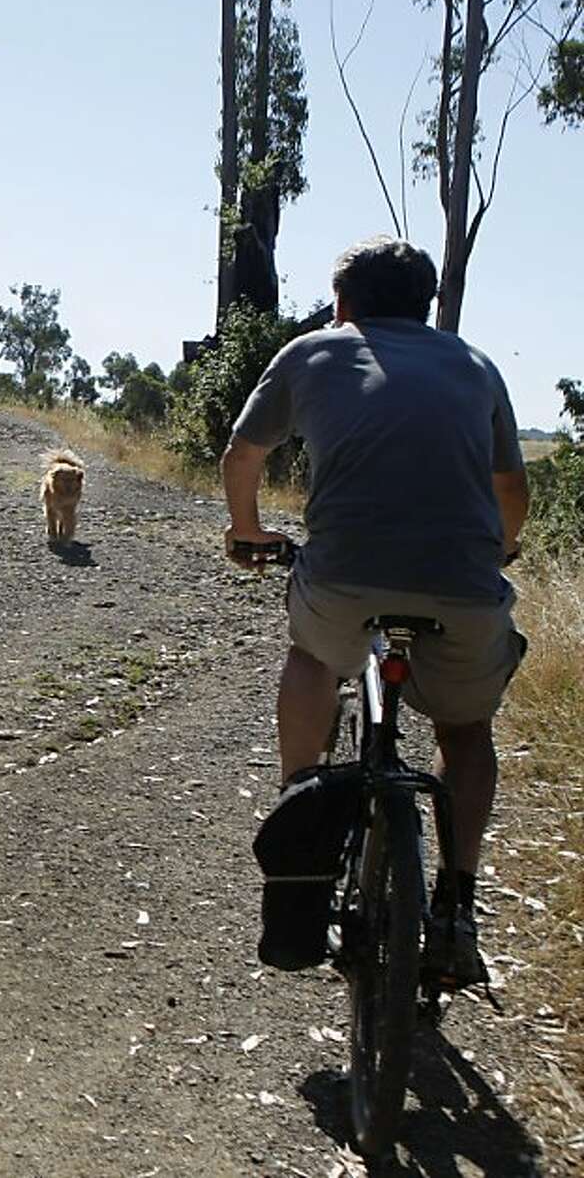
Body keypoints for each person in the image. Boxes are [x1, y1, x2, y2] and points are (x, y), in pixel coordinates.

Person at [222, 235, 530, 988]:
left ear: (342, 304)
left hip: (345, 580)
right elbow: (512, 492)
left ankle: (301, 807)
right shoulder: (475, 365)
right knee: (464, 728)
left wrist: (247, 532)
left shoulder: (313, 351)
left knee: (313, 657)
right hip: (463, 583)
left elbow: (241, 455)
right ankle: (457, 903)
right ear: (425, 307)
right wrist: (499, 550)